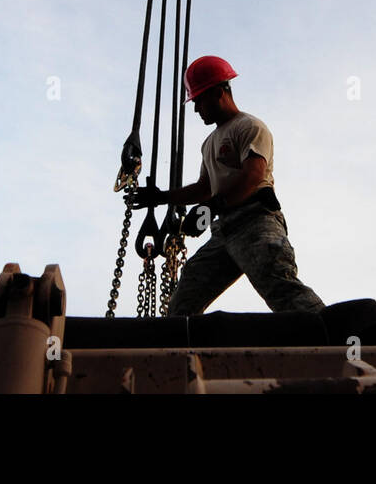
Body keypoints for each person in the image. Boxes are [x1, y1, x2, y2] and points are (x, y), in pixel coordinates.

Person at [131, 55, 325, 316]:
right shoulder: (209, 142)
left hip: (255, 222)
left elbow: (252, 176)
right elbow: (204, 188)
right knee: (184, 302)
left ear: (218, 92)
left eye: (199, 99)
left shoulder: (250, 127)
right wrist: (162, 197)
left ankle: (334, 337)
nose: (196, 108)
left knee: (282, 290)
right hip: (224, 230)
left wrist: (212, 206)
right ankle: (181, 351)